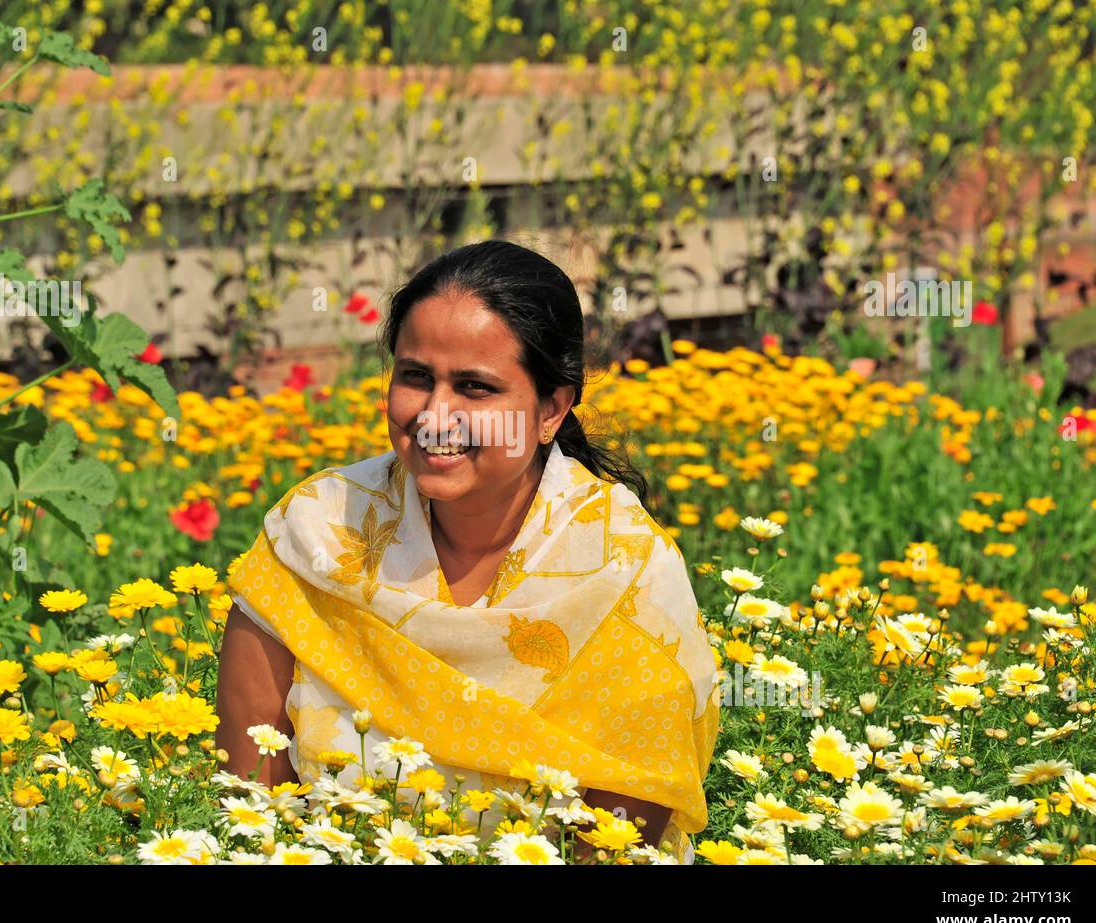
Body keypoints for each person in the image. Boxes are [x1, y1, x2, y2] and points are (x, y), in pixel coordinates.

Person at [215, 239, 719, 862]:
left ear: (551, 409)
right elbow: (249, 806)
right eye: (416, 377)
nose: (434, 415)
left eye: (475, 388)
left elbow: (618, 837)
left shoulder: (626, 572)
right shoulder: (316, 535)